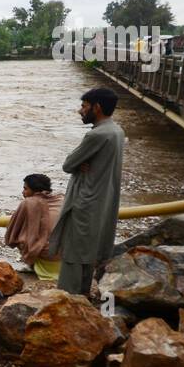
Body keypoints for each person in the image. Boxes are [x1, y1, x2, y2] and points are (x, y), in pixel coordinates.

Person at [47, 88, 125, 298]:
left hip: (84, 202)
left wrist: (79, 163)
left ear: (96, 107)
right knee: (88, 252)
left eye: (84, 106)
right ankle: (83, 297)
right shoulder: (117, 131)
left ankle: (67, 300)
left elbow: (68, 164)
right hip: (102, 201)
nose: (80, 111)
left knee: (73, 253)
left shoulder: (96, 134)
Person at [3, 173, 64, 279]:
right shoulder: (62, 200)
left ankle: (32, 264)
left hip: (47, 258)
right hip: (67, 257)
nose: (23, 192)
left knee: (18, 234)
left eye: (25, 189)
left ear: (34, 190)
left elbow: (11, 235)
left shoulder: (28, 203)